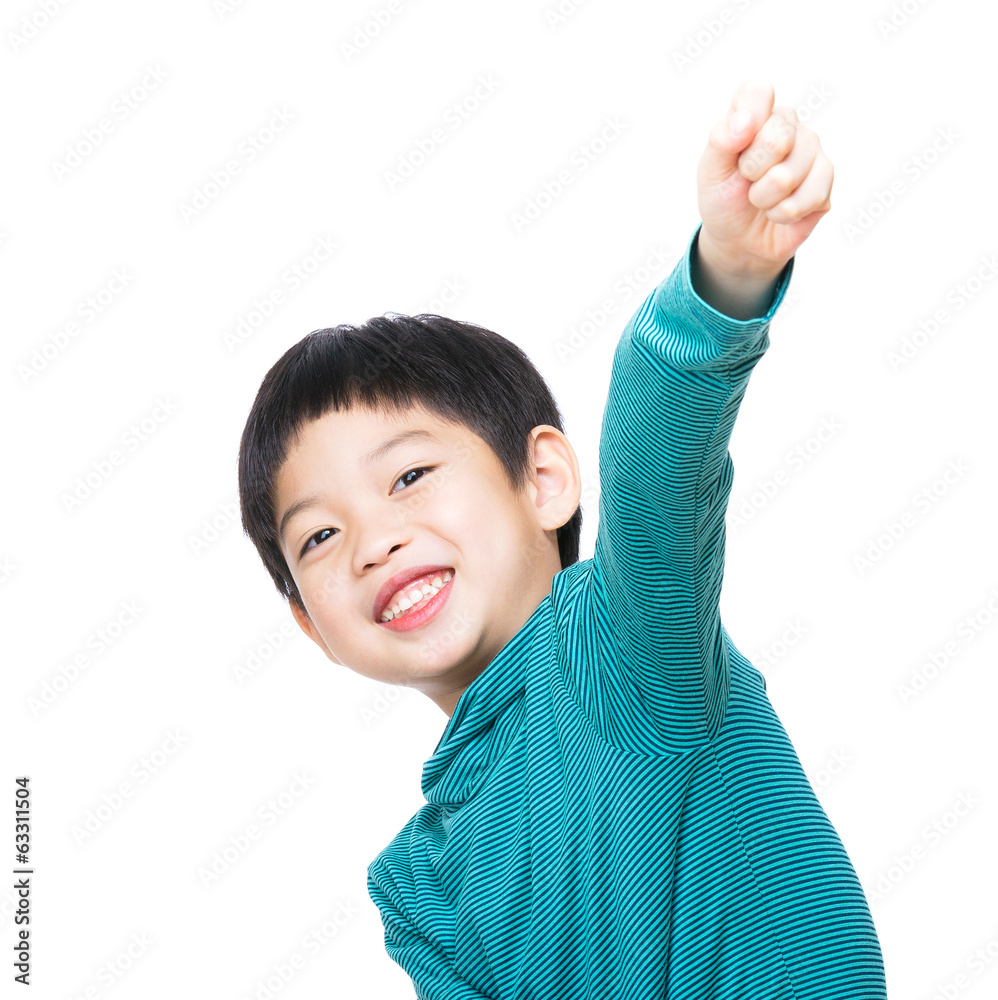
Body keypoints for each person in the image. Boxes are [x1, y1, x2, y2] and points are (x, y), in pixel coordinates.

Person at [237, 78, 888, 997]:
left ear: (544, 481)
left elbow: (659, 461)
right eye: (320, 536)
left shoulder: (623, 642)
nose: (373, 542)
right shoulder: (417, 888)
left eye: (410, 477)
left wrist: (727, 273)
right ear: (312, 626)